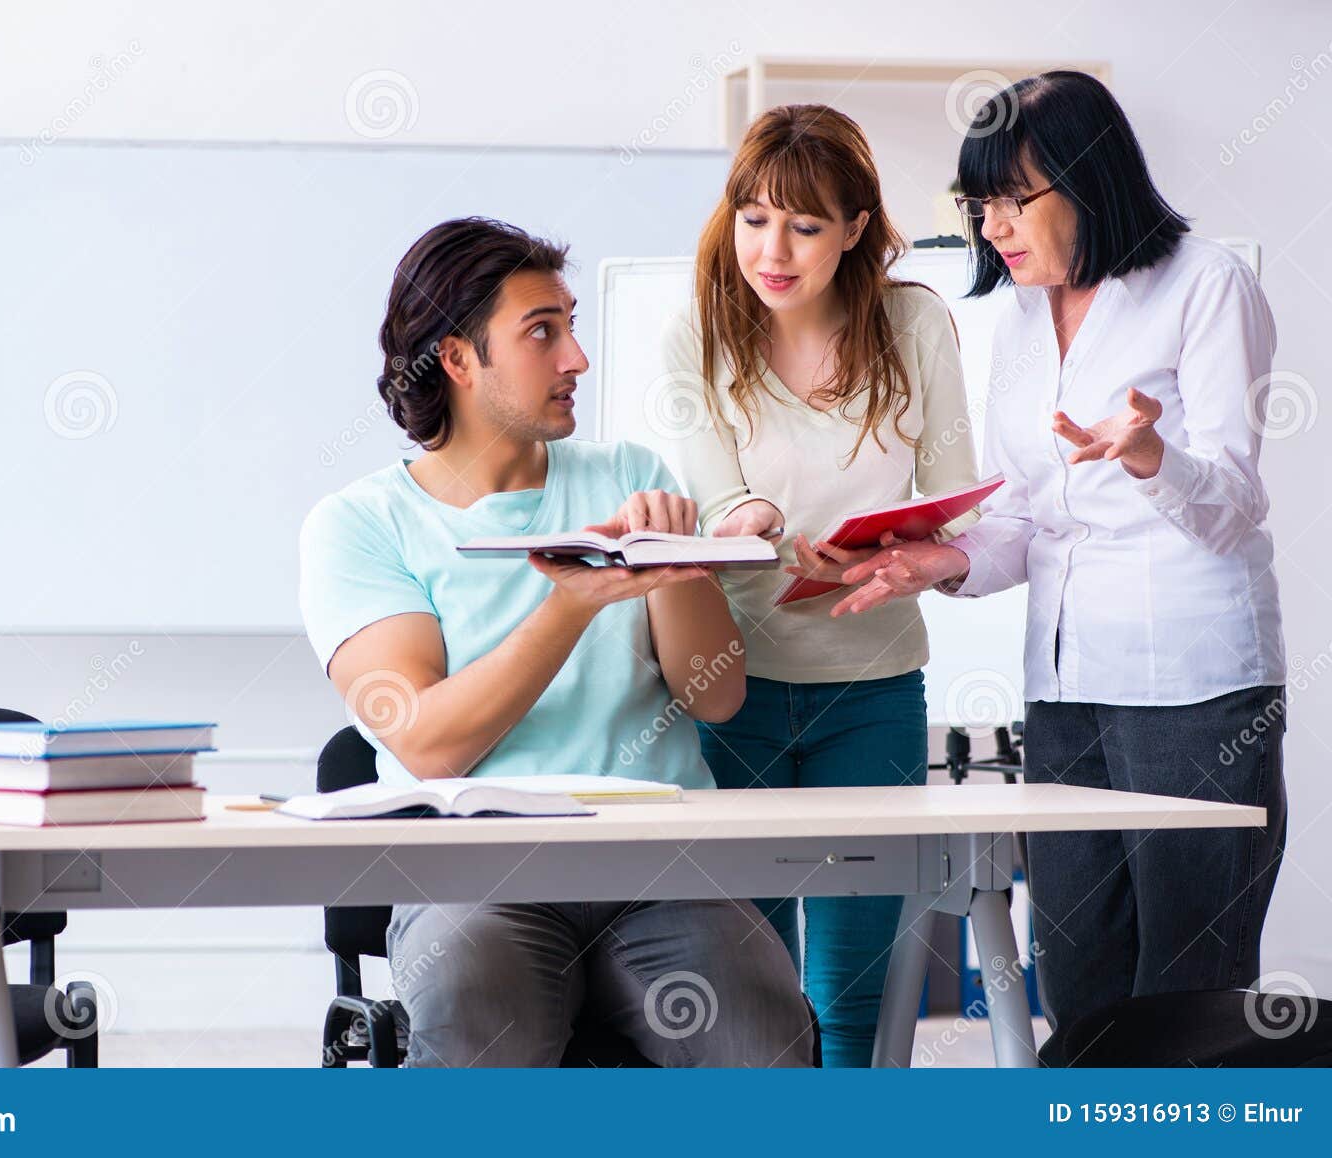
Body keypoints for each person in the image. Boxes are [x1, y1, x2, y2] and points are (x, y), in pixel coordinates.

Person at [832, 71, 1287, 1054]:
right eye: (977, 203)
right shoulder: (1023, 318)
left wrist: (1149, 457)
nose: (991, 223)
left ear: (1090, 178)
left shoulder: (1204, 285)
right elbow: (1027, 520)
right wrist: (937, 561)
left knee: (1190, 997)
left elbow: (1235, 504)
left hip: (1193, 688)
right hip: (1065, 687)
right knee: (1075, 978)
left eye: (1012, 197)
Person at [298, 216, 816, 1067]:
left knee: (763, 1039)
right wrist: (573, 603)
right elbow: (430, 745)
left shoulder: (633, 478)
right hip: (473, 880)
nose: (576, 357)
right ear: (458, 360)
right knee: (480, 1035)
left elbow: (717, 696)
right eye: (543, 332)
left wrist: (675, 568)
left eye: (571, 326)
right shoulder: (361, 525)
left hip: (658, 874)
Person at [657, 103, 981, 1067]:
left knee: (858, 995)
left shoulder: (914, 320)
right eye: (755, 218)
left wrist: (899, 545)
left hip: (872, 686)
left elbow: (954, 503)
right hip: (732, 685)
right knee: (748, 995)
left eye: (806, 225)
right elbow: (721, 501)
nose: (776, 249)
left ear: (855, 229)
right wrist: (745, 520)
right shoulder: (699, 332)